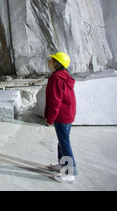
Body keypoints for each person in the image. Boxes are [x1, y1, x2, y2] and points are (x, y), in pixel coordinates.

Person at [45, 52, 78, 183]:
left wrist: (50, 119)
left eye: (51, 60)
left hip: (62, 116)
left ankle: (70, 173)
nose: (49, 61)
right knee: (62, 141)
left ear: (56, 63)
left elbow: (55, 101)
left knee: (65, 143)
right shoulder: (64, 76)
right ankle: (62, 164)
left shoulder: (56, 79)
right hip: (68, 114)